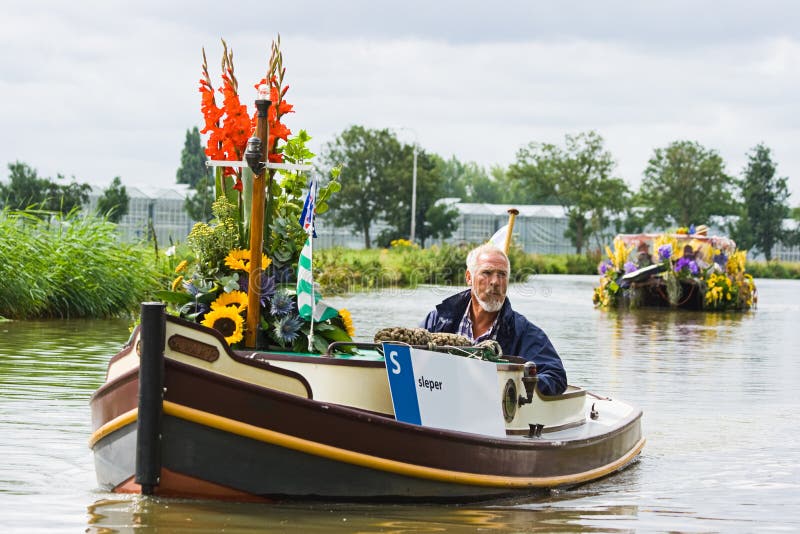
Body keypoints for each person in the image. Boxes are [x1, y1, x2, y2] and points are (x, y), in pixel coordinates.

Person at [421, 243, 567, 396]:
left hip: (496, 415)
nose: (496, 282)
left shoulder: (524, 332)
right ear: (469, 277)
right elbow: (410, 361)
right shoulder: (437, 321)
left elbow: (556, 377)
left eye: (502, 274)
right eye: (487, 272)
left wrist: (514, 384)